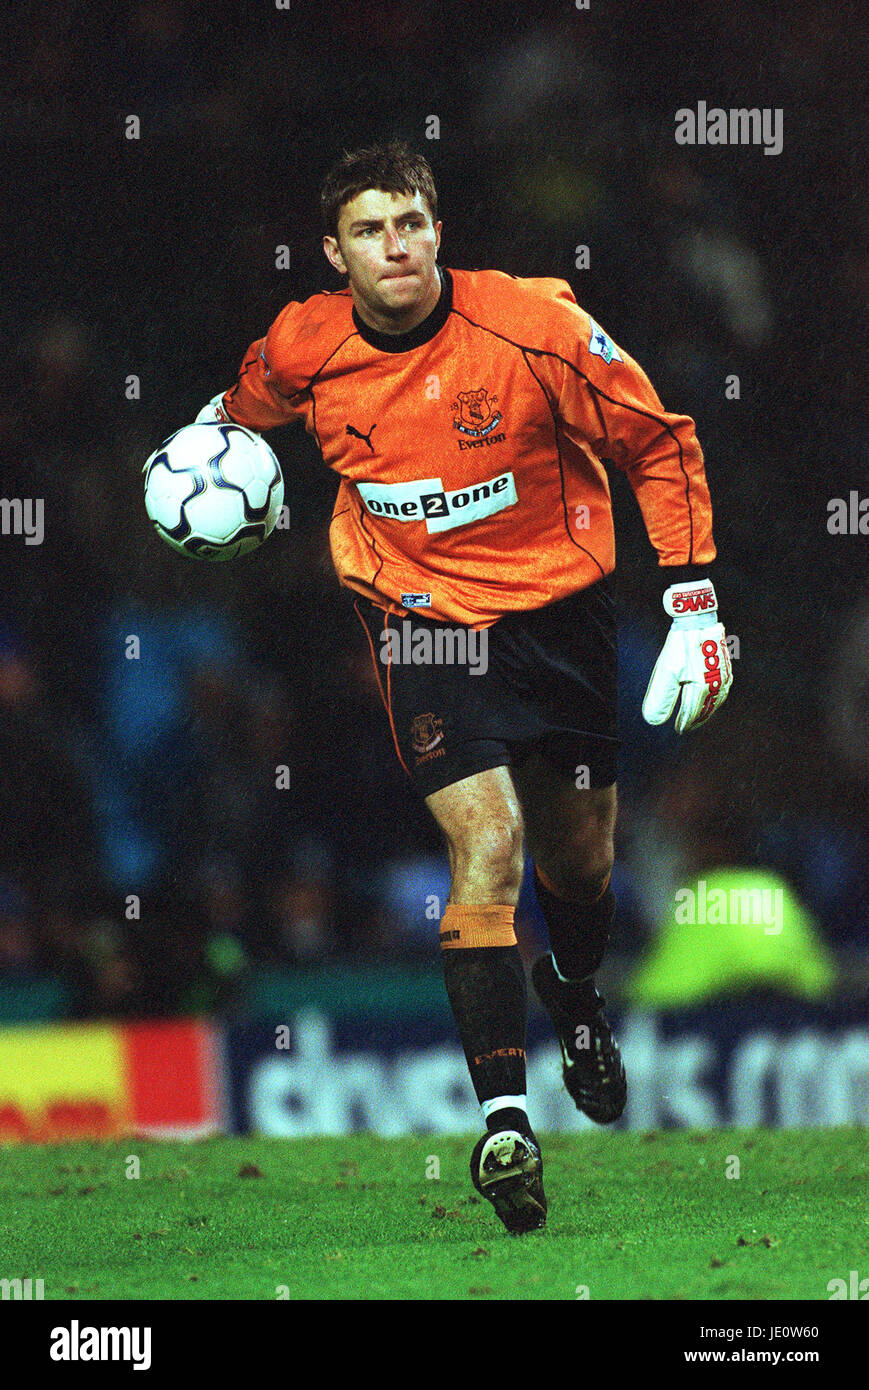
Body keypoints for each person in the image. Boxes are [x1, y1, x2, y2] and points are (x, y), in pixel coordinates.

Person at [193, 141, 733, 1233]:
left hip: (561, 618)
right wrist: (196, 452)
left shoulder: (533, 326)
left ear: (437, 229)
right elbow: (235, 414)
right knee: (487, 844)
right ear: (333, 252)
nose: (395, 246)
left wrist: (692, 601)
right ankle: (502, 1120)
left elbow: (657, 442)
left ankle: (574, 1000)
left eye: (411, 223)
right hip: (426, 627)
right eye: (370, 230)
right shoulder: (303, 345)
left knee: (579, 857)